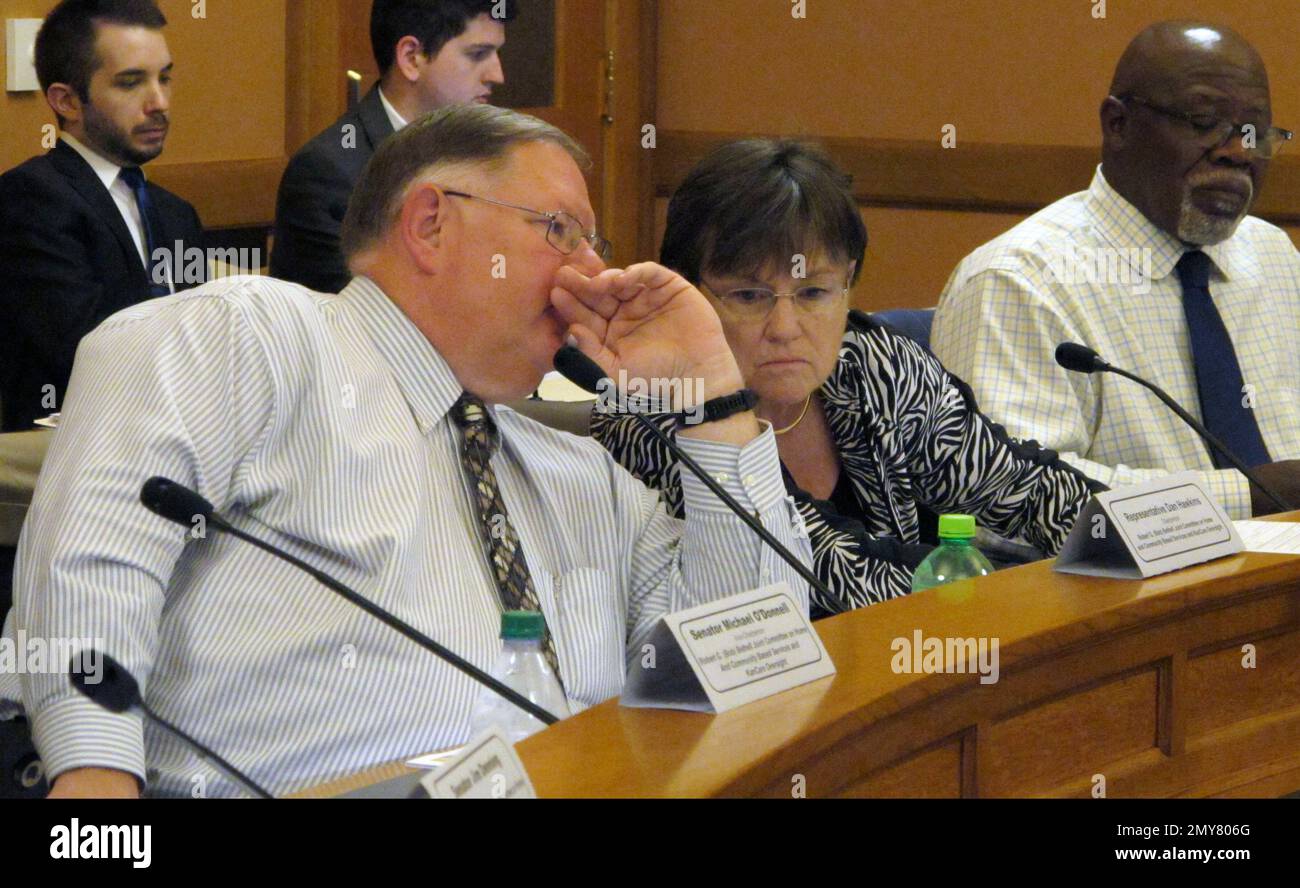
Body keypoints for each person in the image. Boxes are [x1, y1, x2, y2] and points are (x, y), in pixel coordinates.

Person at [9, 105, 811, 798]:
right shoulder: (252, 335)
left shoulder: (578, 473)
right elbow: (99, 545)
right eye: (561, 230)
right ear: (431, 221)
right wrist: (95, 777)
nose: (593, 270)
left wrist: (716, 402)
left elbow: (746, 664)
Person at [590, 139, 1101, 617]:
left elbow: (1023, 487)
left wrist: (1135, 532)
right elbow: (830, 574)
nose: (786, 329)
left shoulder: (874, 366)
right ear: (685, 295)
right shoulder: (650, 412)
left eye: (814, 294)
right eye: (749, 296)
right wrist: (1013, 588)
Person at [933, 21, 1300, 520]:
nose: (1236, 152)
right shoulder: (1019, 280)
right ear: (1118, 125)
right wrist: (1248, 495)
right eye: (1201, 121)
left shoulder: (1273, 254)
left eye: (1255, 133)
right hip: (1121, 592)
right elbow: (1009, 501)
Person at [0, 0, 204, 432]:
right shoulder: (29, 199)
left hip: (181, 436)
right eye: (131, 84)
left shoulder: (177, 214)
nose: (160, 102)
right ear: (68, 101)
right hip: (70, 453)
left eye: (164, 77)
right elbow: (88, 351)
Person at [269, 0, 512, 292]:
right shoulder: (327, 175)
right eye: (478, 54)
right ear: (411, 58)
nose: (497, 75)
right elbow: (365, 316)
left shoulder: (493, 156)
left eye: (496, 53)